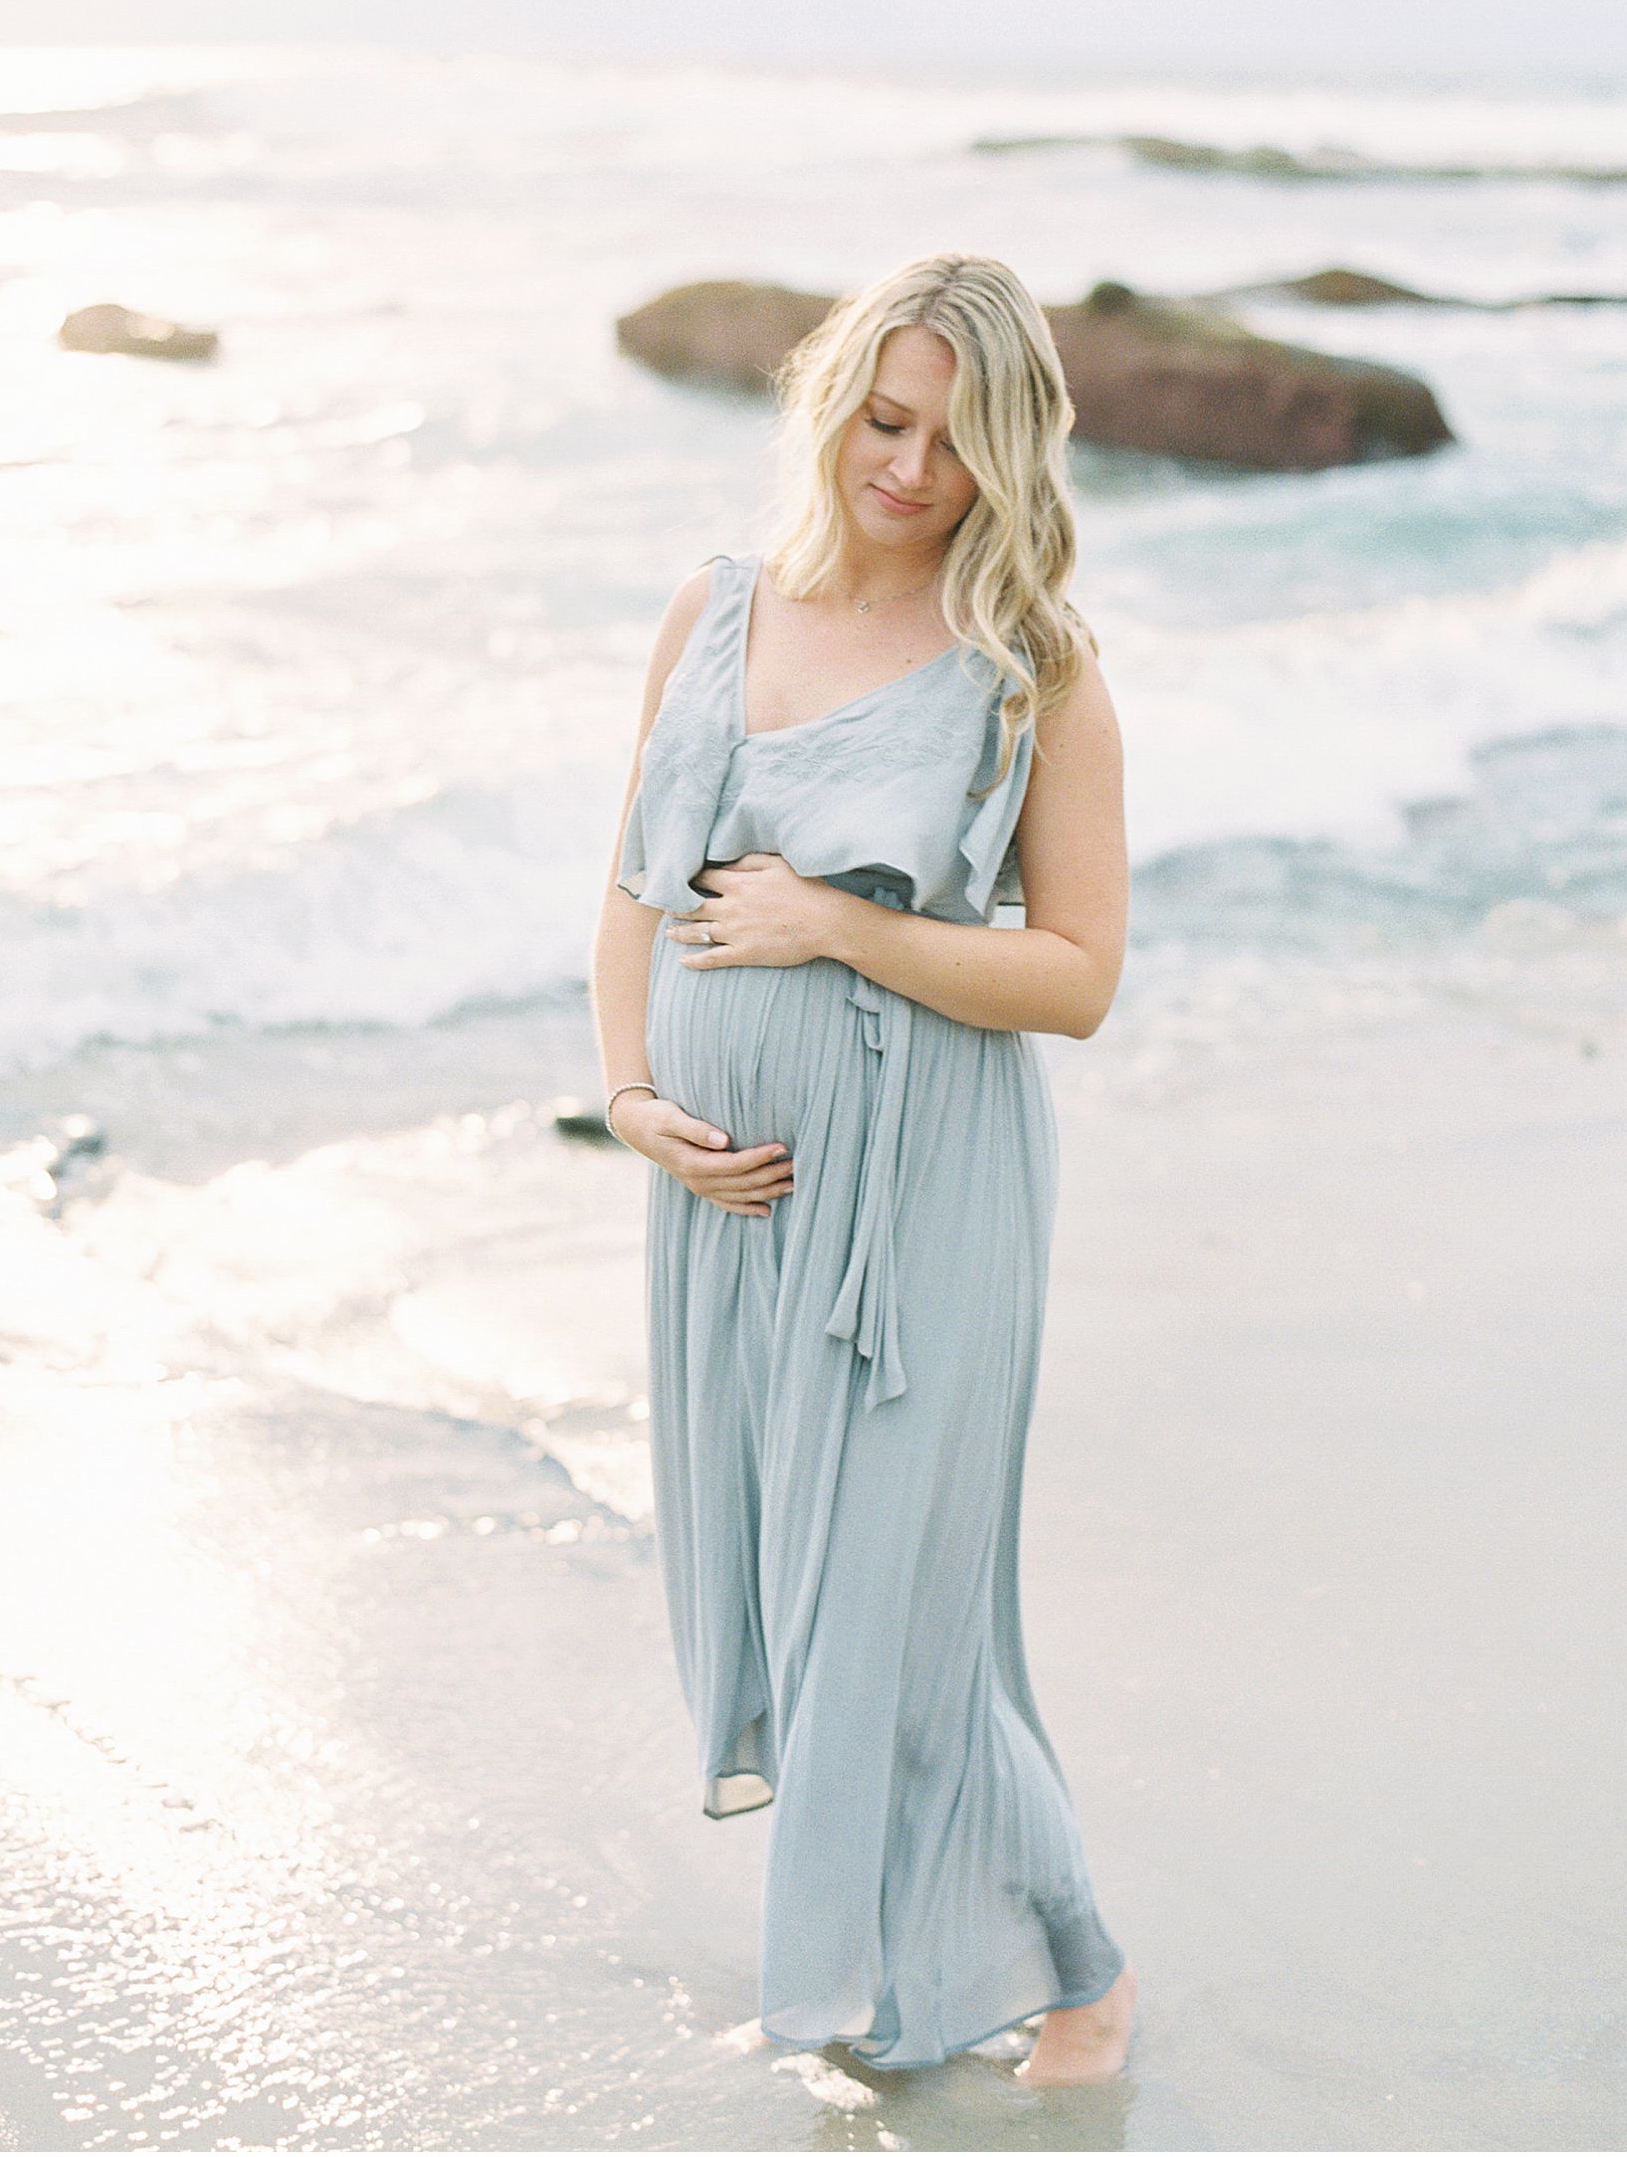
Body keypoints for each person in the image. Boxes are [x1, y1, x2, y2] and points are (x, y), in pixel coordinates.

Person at [589, 251, 1137, 2085]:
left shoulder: (1033, 670)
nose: (911, 468)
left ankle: (1058, 1969)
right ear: (834, 402)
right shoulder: (718, 607)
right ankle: (915, 1981)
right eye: (887, 420)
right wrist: (626, 1091)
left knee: (896, 1610)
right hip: (725, 1209)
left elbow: (1075, 976)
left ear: (1012, 456)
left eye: (958, 438)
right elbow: (632, 882)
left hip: (924, 1206)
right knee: (810, 1603)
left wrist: (838, 927)